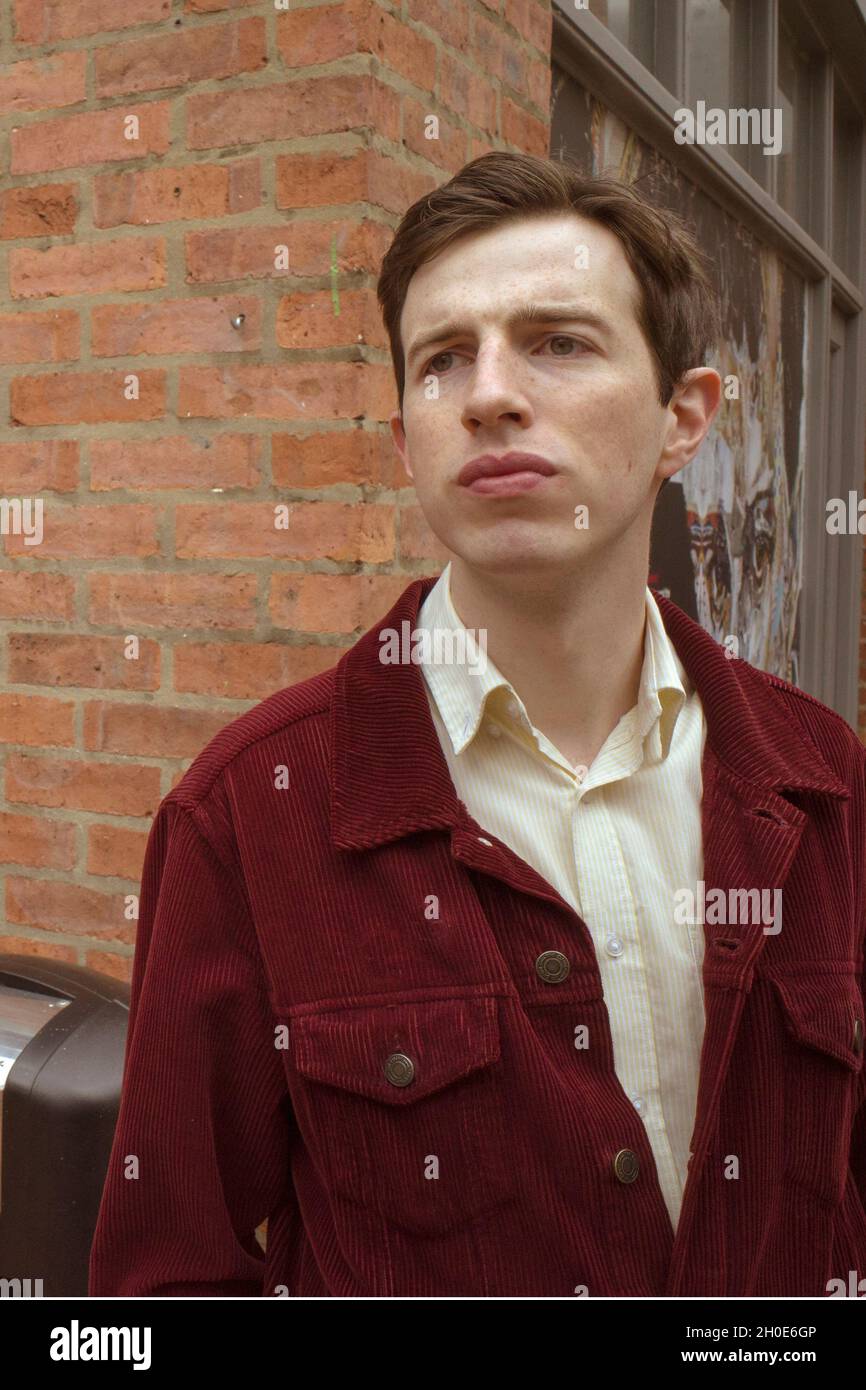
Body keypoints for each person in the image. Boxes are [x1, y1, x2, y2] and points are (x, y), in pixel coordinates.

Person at [89, 151, 866, 1298]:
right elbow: (156, 1293)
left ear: (681, 418)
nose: (489, 392)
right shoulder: (254, 813)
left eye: (557, 341)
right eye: (442, 359)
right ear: (407, 445)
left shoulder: (825, 785)